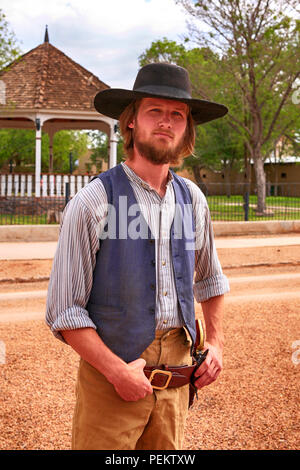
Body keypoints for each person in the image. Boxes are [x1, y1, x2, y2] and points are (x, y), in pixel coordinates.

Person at [46, 62, 230, 451]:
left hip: (177, 380)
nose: (166, 122)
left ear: (186, 128)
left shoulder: (192, 199)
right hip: (111, 375)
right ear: (131, 122)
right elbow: (64, 310)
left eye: (177, 115)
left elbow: (210, 279)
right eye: (155, 111)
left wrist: (214, 342)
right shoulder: (94, 202)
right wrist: (116, 372)